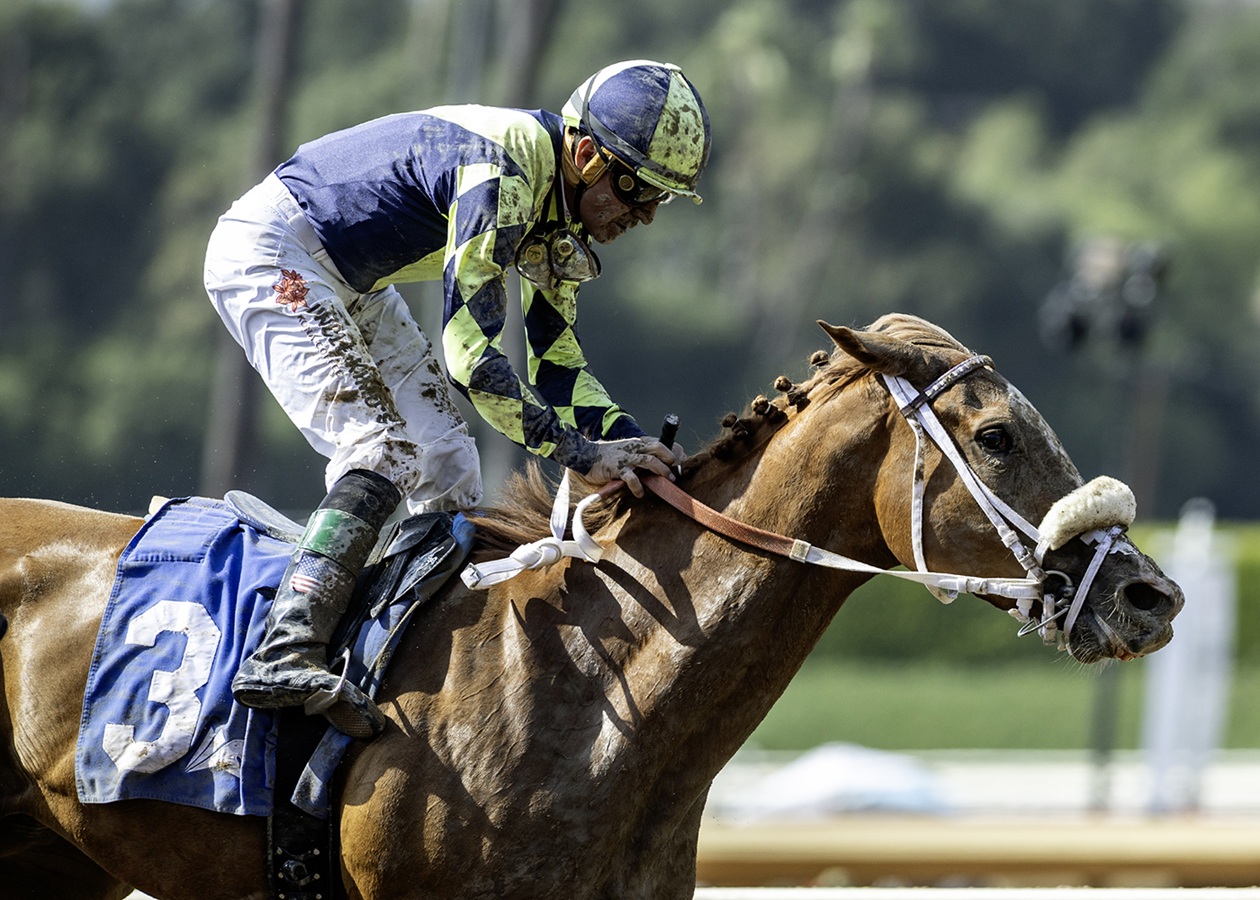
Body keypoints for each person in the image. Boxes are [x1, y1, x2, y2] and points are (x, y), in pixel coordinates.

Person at [203, 59, 711, 738]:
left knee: (447, 464)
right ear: (586, 154)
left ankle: (393, 654)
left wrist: (627, 442)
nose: (644, 216)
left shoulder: (559, 210)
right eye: (637, 189)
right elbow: (471, 357)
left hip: (356, 278)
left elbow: (557, 362)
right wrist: (579, 453)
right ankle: (284, 646)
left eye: (660, 200)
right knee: (378, 448)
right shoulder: (504, 173)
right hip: (276, 249)